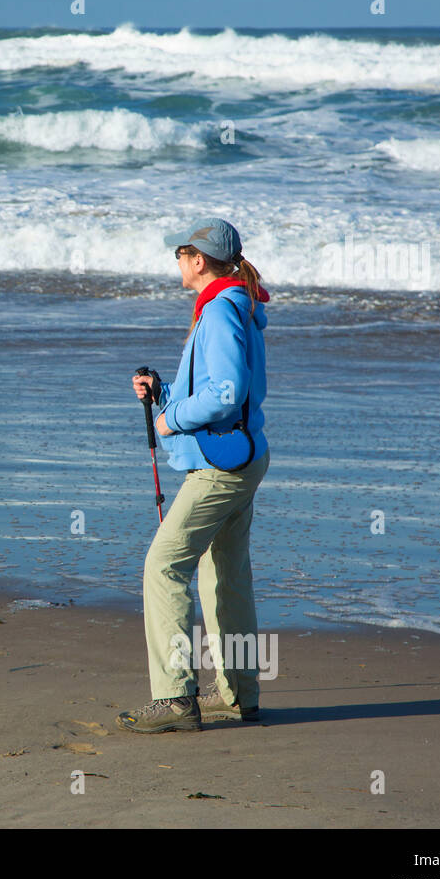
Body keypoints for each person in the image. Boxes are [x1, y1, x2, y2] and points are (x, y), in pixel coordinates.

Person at [117, 217, 272, 734]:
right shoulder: (234, 305)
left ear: (198, 260)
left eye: (180, 255)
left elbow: (227, 393)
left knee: (163, 566)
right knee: (224, 574)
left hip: (221, 466)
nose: (177, 263)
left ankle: (176, 699)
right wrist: (163, 393)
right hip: (239, 456)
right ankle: (239, 693)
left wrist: (171, 418)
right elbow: (222, 391)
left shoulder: (222, 311)